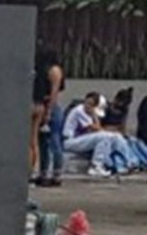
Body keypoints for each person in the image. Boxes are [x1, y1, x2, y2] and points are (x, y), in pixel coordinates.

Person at [63, 93, 132, 177]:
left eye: (91, 105)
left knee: (116, 136)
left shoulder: (90, 113)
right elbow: (97, 129)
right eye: (87, 103)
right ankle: (96, 166)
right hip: (70, 141)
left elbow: (98, 128)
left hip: (81, 140)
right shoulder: (79, 111)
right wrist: (95, 115)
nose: (87, 106)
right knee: (104, 136)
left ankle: (128, 162)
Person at [32, 50, 65, 187]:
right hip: (47, 105)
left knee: (54, 140)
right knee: (43, 142)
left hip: (51, 107)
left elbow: (54, 92)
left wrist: (49, 111)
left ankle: (56, 172)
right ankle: (44, 172)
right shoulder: (53, 70)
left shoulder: (53, 71)